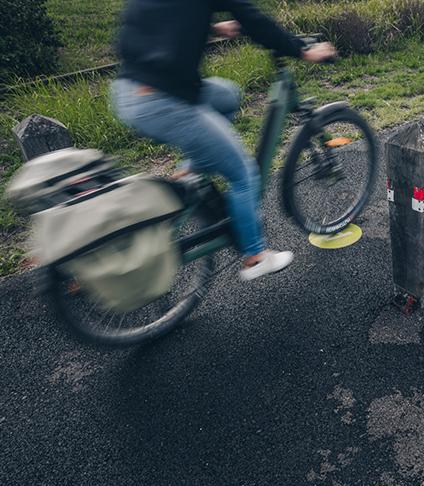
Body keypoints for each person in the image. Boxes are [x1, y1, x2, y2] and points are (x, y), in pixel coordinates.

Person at [111, 0, 336, 281]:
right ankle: (255, 256)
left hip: (127, 91)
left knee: (227, 95)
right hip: (162, 100)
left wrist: (213, 26)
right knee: (243, 172)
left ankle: (191, 168)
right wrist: (303, 51)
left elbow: (157, 19)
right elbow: (253, 18)